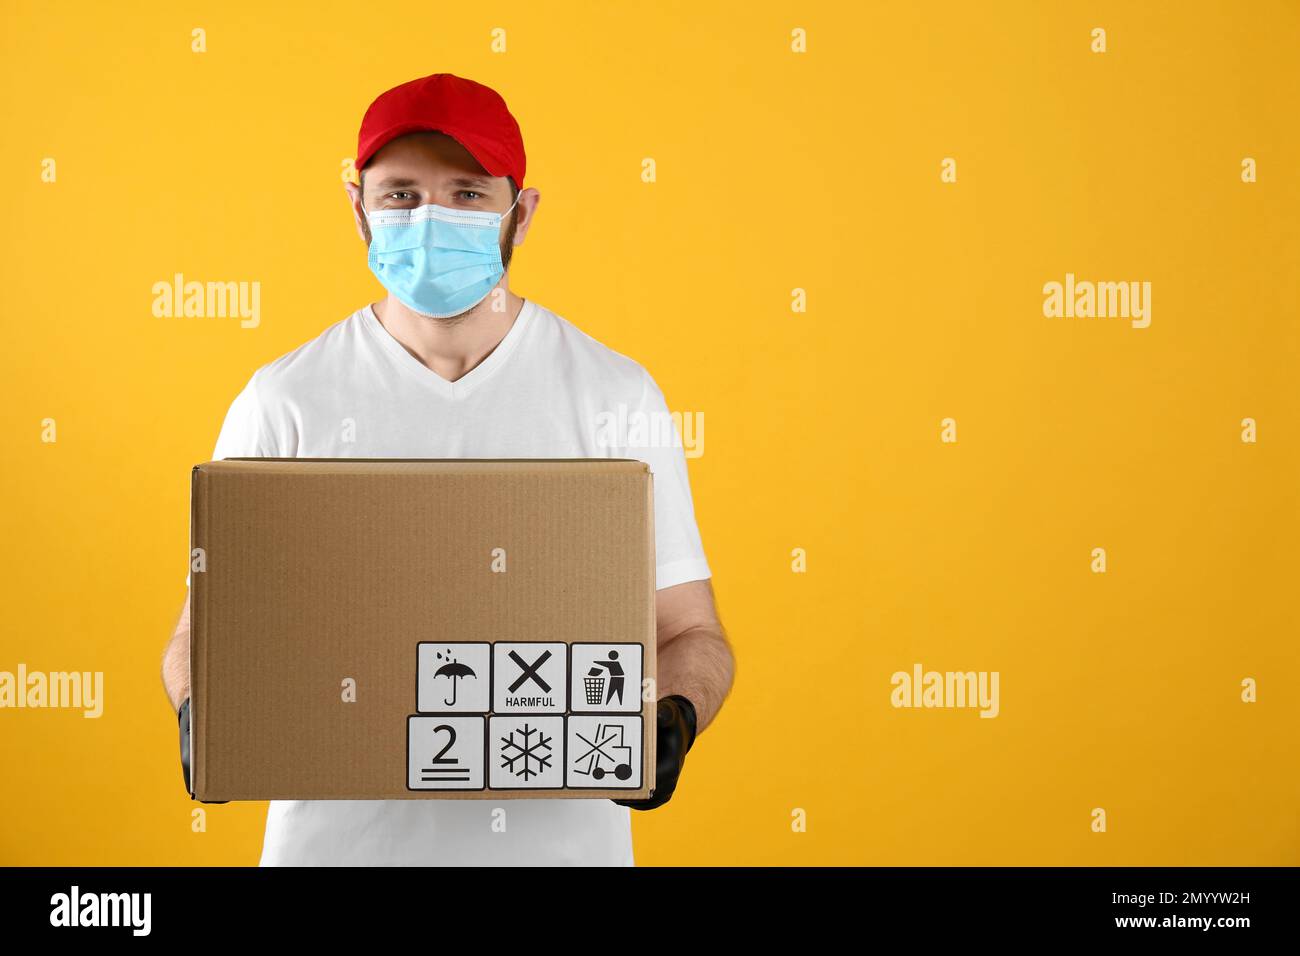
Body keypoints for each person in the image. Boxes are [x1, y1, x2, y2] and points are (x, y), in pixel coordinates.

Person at [159, 71, 734, 865]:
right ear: (357, 208)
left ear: (520, 214)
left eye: (466, 194)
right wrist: (202, 710)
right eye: (400, 194)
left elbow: (689, 630)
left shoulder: (613, 394)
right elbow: (202, 633)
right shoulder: (285, 401)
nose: (430, 220)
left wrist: (673, 715)